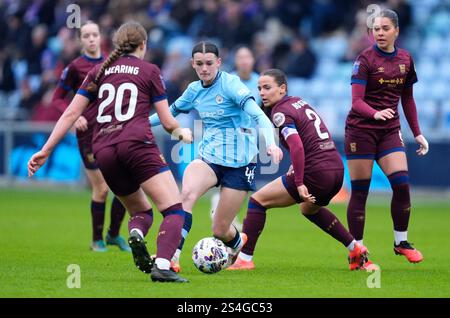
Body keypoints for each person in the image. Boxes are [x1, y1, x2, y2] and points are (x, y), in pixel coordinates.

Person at [28, 21, 193, 283]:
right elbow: (167, 120)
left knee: (141, 212)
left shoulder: (98, 70)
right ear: (143, 45)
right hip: (136, 144)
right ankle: (161, 265)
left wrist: (45, 150)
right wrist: (182, 133)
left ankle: (136, 234)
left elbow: (71, 112)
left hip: (103, 149)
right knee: (174, 211)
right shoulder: (150, 70)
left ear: (116, 45)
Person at [149, 41, 283, 273]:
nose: (204, 69)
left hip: (240, 164)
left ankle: (238, 243)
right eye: (199, 64)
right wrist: (136, 122)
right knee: (186, 196)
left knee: (221, 229)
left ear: (218, 63)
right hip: (209, 158)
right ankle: (172, 256)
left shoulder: (231, 85)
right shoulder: (193, 90)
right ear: (192, 64)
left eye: (209, 63)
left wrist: (271, 144)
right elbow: (167, 114)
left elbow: (260, 117)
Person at [228, 69, 371, 271]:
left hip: (316, 171)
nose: (262, 92)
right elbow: (313, 136)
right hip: (336, 169)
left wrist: (300, 182)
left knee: (257, 201)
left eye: (267, 87)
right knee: (309, 209)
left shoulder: (279, 113)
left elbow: (297, 146)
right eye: (259, 88)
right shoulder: (298, 102)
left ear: (282, 88)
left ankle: (245, 259)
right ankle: (355, 248)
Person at [345, 9, 428, 267]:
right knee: (360, 191)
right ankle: (357, 250)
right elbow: (356, 102)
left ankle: (400, 241)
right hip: (361, 130)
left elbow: (408, 98)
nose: (379, 33)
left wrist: (417, 132)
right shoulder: (364, 59)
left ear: (396, 31)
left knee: (402, 184)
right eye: (376, 29)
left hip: (389, 130)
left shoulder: (405, 58)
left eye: (384, 28)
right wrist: (375, 113)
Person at [51, 21, 129, 252]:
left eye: (94, 34)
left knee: (126, 185)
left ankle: (114, 234)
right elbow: (57, 98)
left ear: (100, 37)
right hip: (88, 135)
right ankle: (97, 240)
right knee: (102, 189)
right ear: (80, 40)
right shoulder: (75, 67)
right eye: (86, 35)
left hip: (113, 130)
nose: (91, 39)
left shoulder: (112, 62)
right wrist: (74, 118)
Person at [209, 45, 261, 231]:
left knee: (242, 184)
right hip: (227, 141)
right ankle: (222, 214)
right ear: (236, 61)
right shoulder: (227, 81)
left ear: (253, 60)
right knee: (227, 179)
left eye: (248, 57)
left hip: (249, 142)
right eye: (241, 57)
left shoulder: (260, 82)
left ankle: (226, 213)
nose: (245, 61)